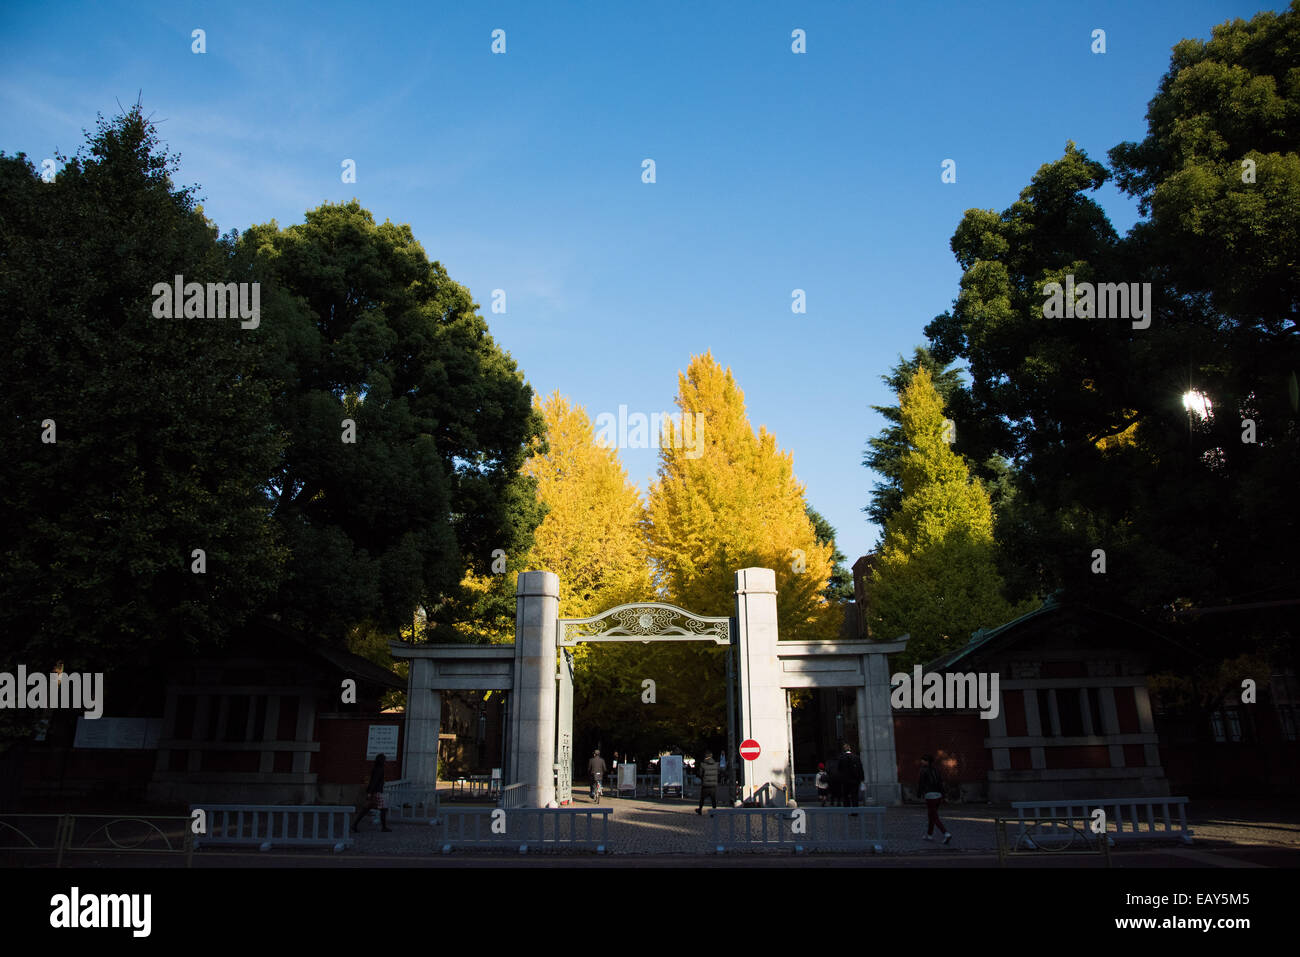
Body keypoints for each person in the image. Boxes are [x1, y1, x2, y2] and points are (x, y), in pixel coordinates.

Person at [918, 754, 952, 844]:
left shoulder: (923, 770)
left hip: (930, 795)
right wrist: (943, 795)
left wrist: (919, 794)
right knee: (931, 815)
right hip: (938, 795)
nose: (921, 762)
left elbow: (921, 783)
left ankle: (946, 833)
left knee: (934, 816)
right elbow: (941, 783)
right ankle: (929, 835)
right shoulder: (936, 770)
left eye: (923, 760)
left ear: (927, 761)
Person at [353, 753, 391, 832]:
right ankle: (384, 827)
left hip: (374, 792)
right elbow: (374, 781)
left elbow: (372, 781)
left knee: (367, 809)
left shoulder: (376, 768)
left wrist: (370, 792)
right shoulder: (380, 769)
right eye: (384, 759)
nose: (385, 761)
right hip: (377, 792)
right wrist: (370, 792)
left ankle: (355, 824)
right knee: (382, 809)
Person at [838, 743, 864, 807]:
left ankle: (847, 810)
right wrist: (862, 779)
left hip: (845, 780)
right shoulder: (856, 757)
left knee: (846, 795)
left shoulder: (841, 758)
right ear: (850, 749)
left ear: (843, 750)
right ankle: (855, 811)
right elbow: (860, 768)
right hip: (855, 780)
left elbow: (839, 769)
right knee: (854, 795)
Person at [694, 750, 719, 814]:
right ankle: (714, 810)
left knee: (702, 798)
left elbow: (700, 774)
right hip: (713, 784)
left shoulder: (703, 765)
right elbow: (718, 773)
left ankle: (700, 809)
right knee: (713, 798)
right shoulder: (716, 764)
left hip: (705, 784)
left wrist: (702, 778)